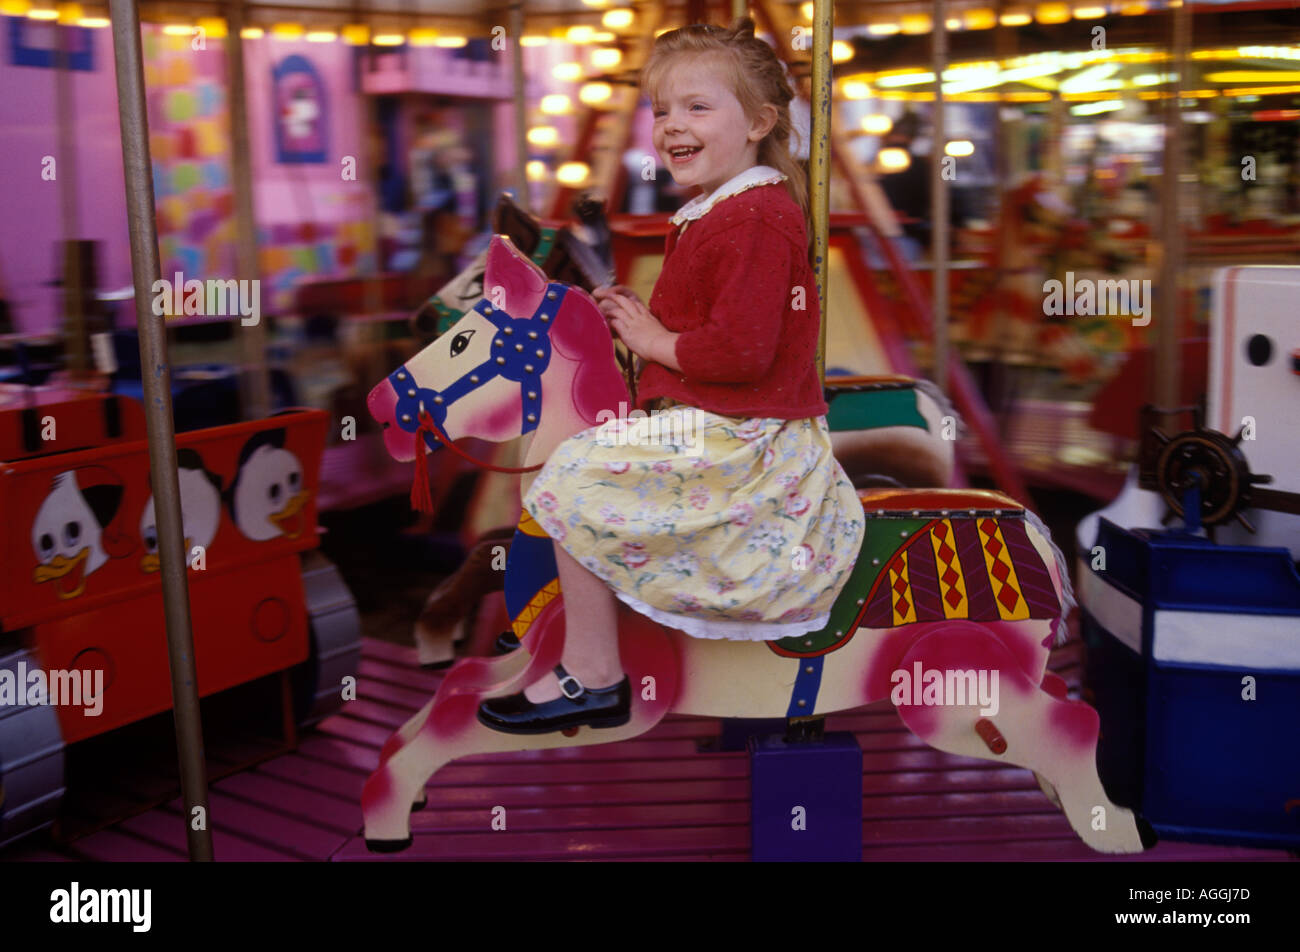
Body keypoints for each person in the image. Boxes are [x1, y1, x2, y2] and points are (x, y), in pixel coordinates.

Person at [477, 19, 866, 734]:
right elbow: (705, 326)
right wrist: (637, 322)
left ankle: (595, 674)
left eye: (696, 107)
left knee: (573, 478)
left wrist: (655, 340)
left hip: (747, 440)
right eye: (660, 109)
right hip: (715, 423)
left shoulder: (754, 217)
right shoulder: (715, 212)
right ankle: (565, 629)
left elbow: (742, 351)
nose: (670, 125)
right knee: (580, 462)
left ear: (759, 122)